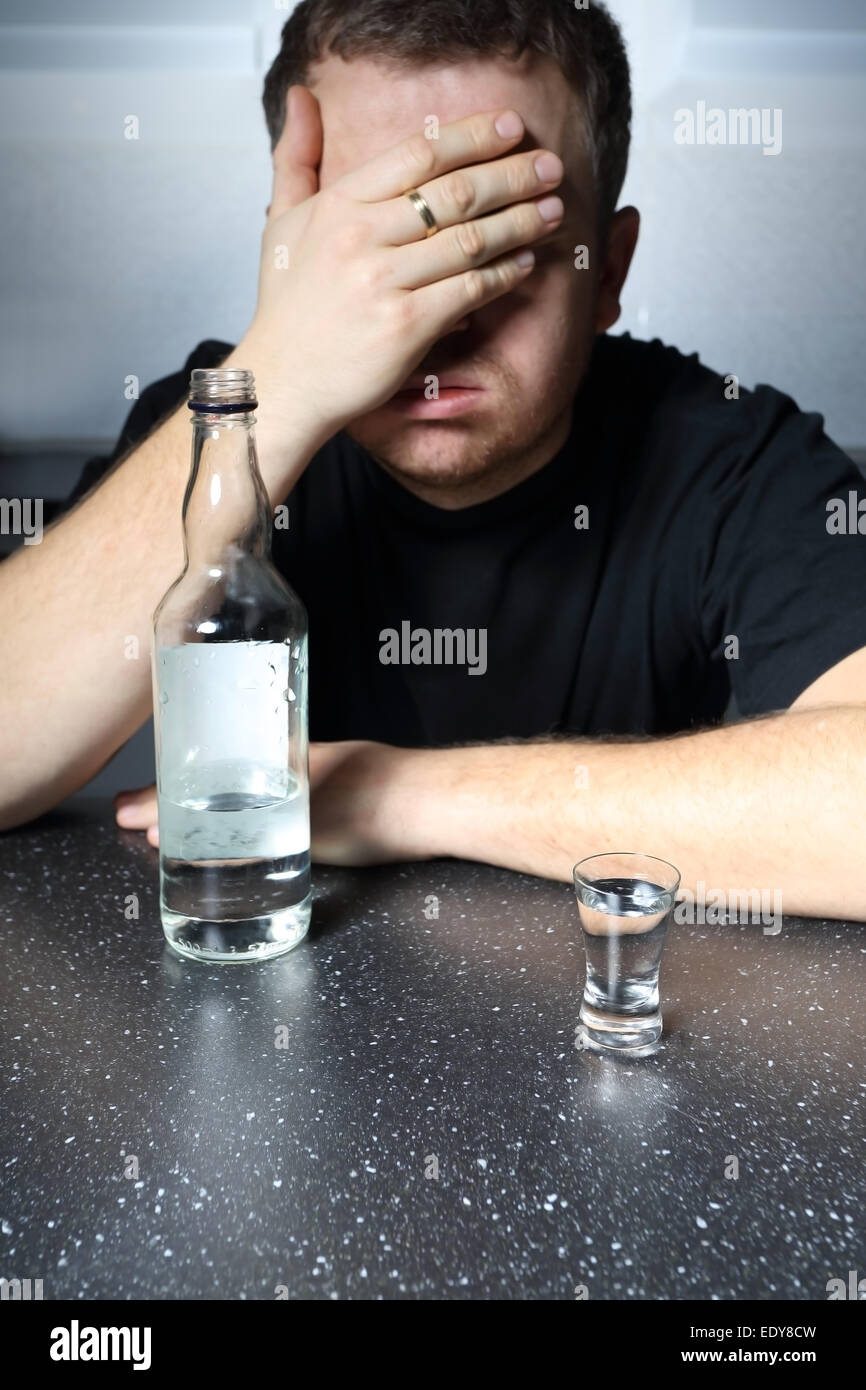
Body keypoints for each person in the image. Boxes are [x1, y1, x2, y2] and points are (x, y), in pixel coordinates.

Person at [2, 0, 865, 918]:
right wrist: (281, 369)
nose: (442, 315)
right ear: (297, 261)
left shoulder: (730, 453)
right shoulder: (216, 424)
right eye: (382, 248)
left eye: (508, 242)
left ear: (607, 272)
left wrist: (395, 795)